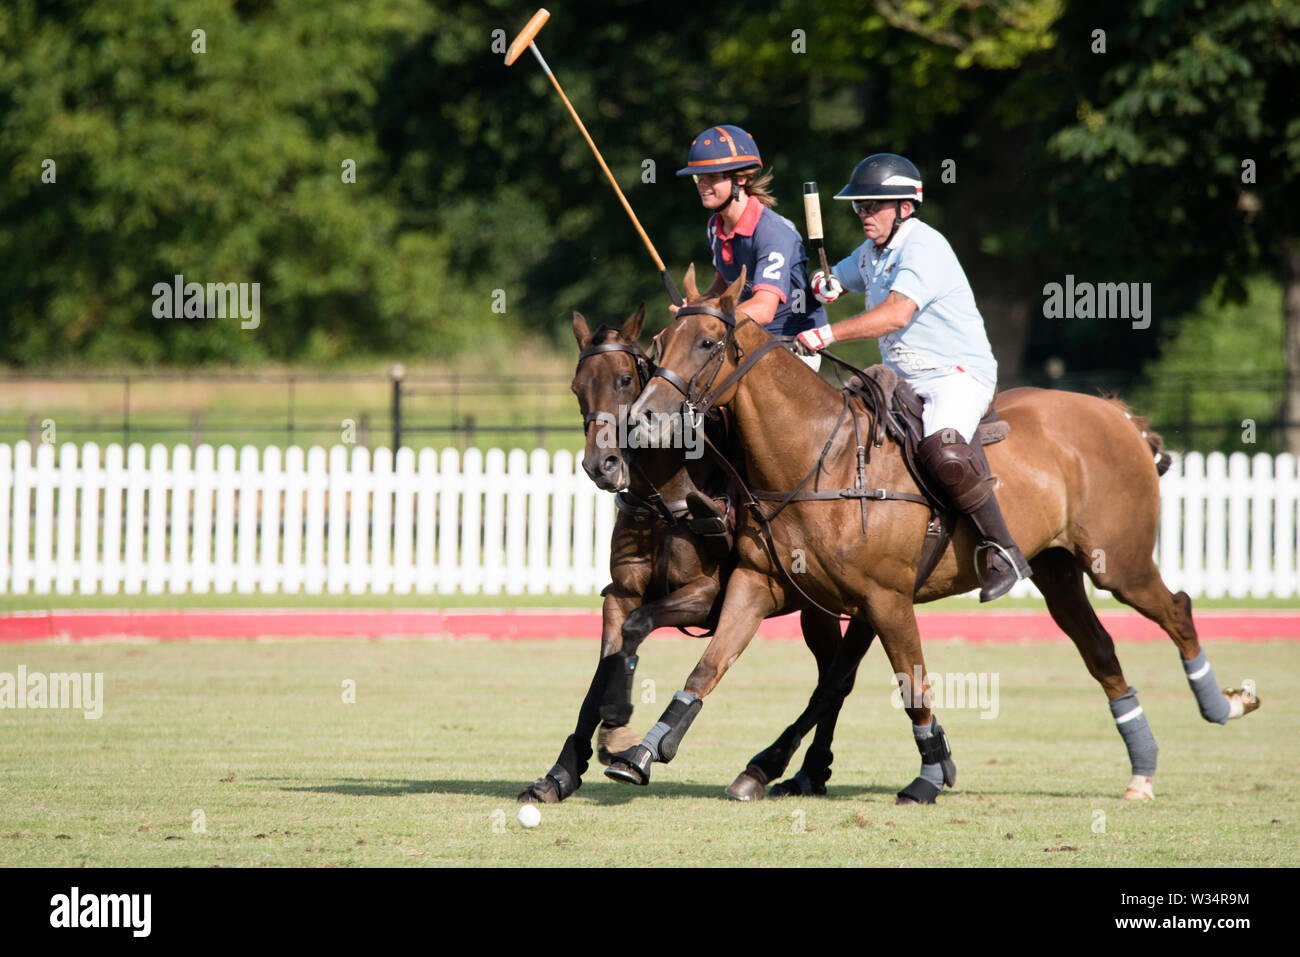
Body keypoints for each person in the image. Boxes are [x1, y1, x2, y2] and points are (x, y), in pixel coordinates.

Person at [795, 153, 1031, 601]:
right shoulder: (872, 253)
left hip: (956, 375)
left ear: (905, 207)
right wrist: (826, 283)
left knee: (943, 451)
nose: (864, 214)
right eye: (859, 207)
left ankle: (1003, 551)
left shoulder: (925, 247)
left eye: (873, 206)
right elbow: (837, 277)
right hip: (902, 379)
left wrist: (826, 334)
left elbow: (896, 314)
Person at [673, 125, 825, 369]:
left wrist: (705, 321)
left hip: (792, 344)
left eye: (711, 176)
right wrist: (695, 309)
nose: (702, 184)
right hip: (747, 336)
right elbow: (724, 284)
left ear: (740, 178)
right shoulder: (715, 226)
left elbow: (764, 309)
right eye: (698, 177)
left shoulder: (773, 232)